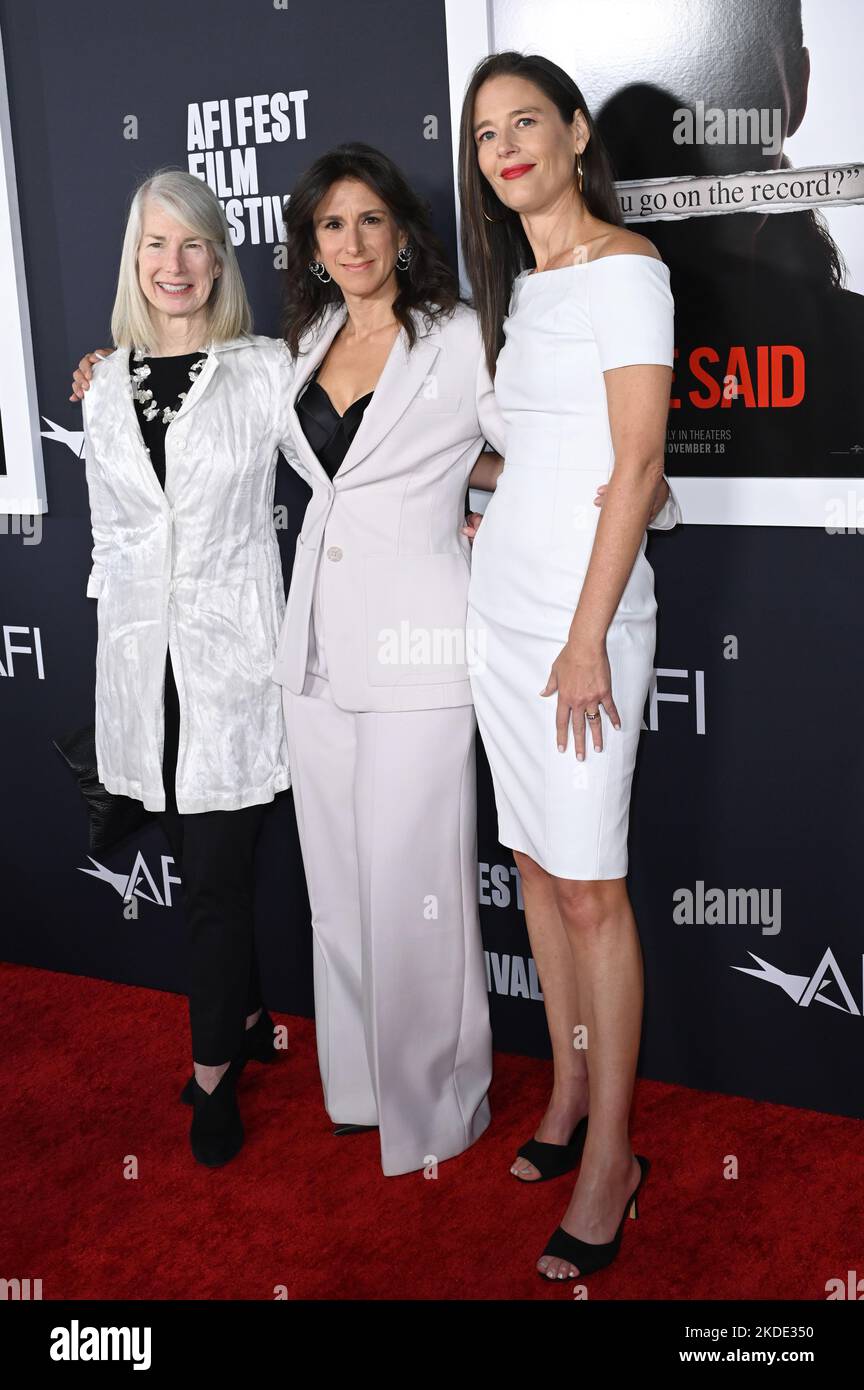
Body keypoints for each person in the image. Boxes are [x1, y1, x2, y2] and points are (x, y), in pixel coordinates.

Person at [459, 52, 680, 1278]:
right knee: (540, 872)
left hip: (582, 627)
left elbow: (639, 467)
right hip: (503, 616)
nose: (507, 146)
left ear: (576, 132)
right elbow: (539, 451)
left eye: (527, 121)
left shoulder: (625, 269)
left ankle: (615, 1158)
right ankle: (567, 1095)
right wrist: (471, 489)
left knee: (592, 884)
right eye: (487, 133)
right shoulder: (532, 287)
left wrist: (590, 631)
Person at [75, 168, 294, 1168]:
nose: (176, 265)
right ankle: (247, 1019)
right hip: (142, 675)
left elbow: (355, 465)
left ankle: (214, 1074)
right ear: (135, 259)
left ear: (220, 256)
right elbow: (115, 541)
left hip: (232, 666)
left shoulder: (266, 371)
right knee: (205, 872)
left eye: (195, 243)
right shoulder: (103, 389)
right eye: (156, 245)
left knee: (210, 884)